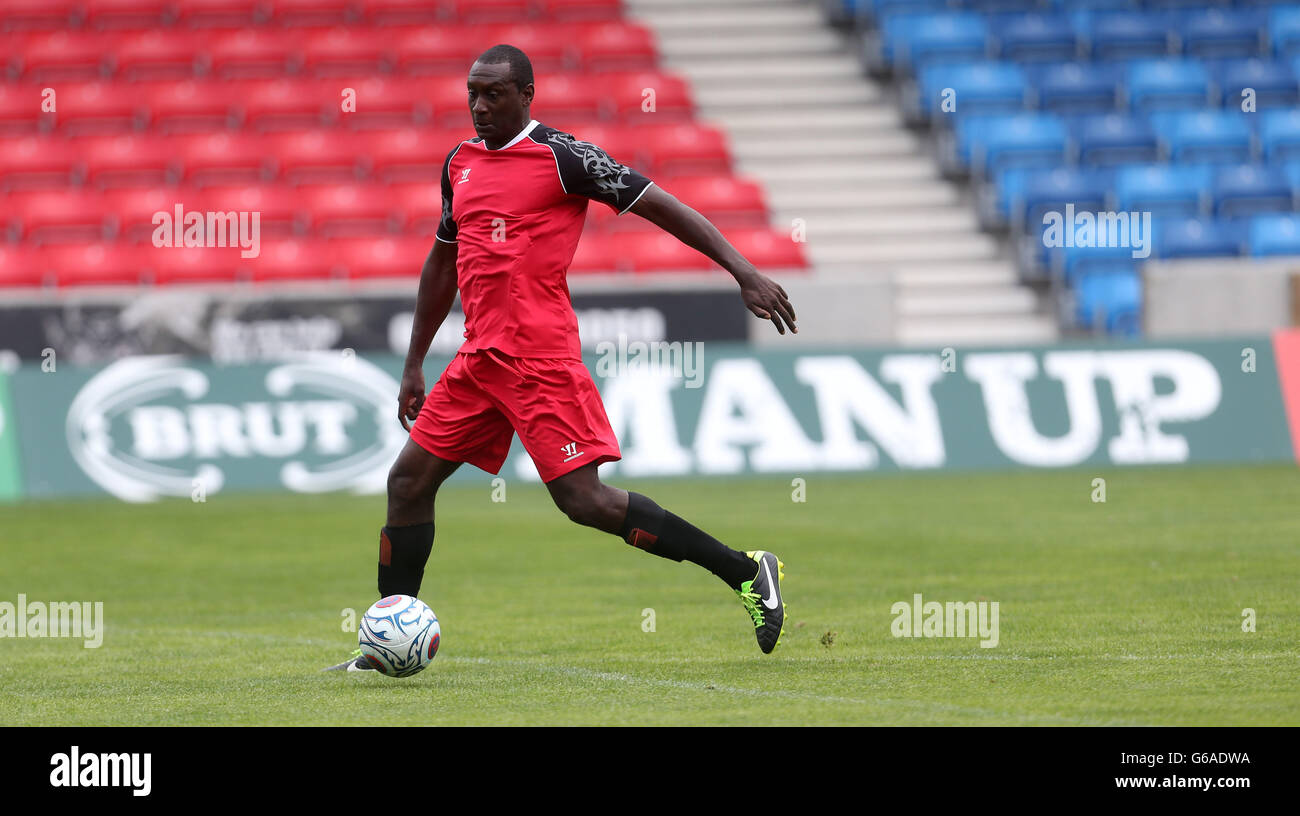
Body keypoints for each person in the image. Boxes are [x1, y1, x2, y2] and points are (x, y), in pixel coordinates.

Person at [328, 44, 798, 671]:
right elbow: (443, 261)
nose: (479, 105)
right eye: (472, 92)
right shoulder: (459, 164)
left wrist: (743, 272)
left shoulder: (566, 158)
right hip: (478, 361)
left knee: (585, 503)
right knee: (407, 483)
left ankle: (744, 570)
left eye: (494, 93)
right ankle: (386, 639)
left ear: (526, 95)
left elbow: (662, 204)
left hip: (540, 360)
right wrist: (415, 362)